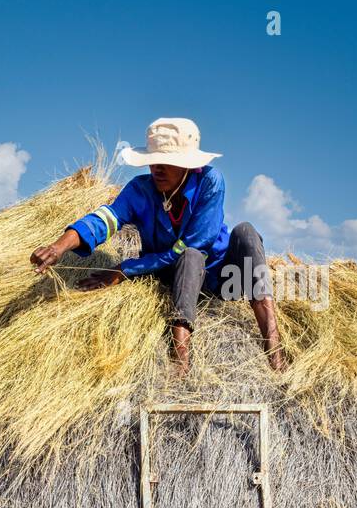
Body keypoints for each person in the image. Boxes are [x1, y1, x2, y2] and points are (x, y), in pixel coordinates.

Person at [29, 117, 285, 375]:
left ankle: (274, 348)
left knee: (244, 233)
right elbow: (106, 219)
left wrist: (125, 269)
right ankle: (180, 361)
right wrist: (59, 246)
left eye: (167, 162)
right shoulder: (140, 190)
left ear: (187, 165)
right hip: (172, 278)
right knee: (188, 256)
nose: (157, 169)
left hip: (220, 278)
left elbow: (198, 243)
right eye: (153, 161)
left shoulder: (210, 182)